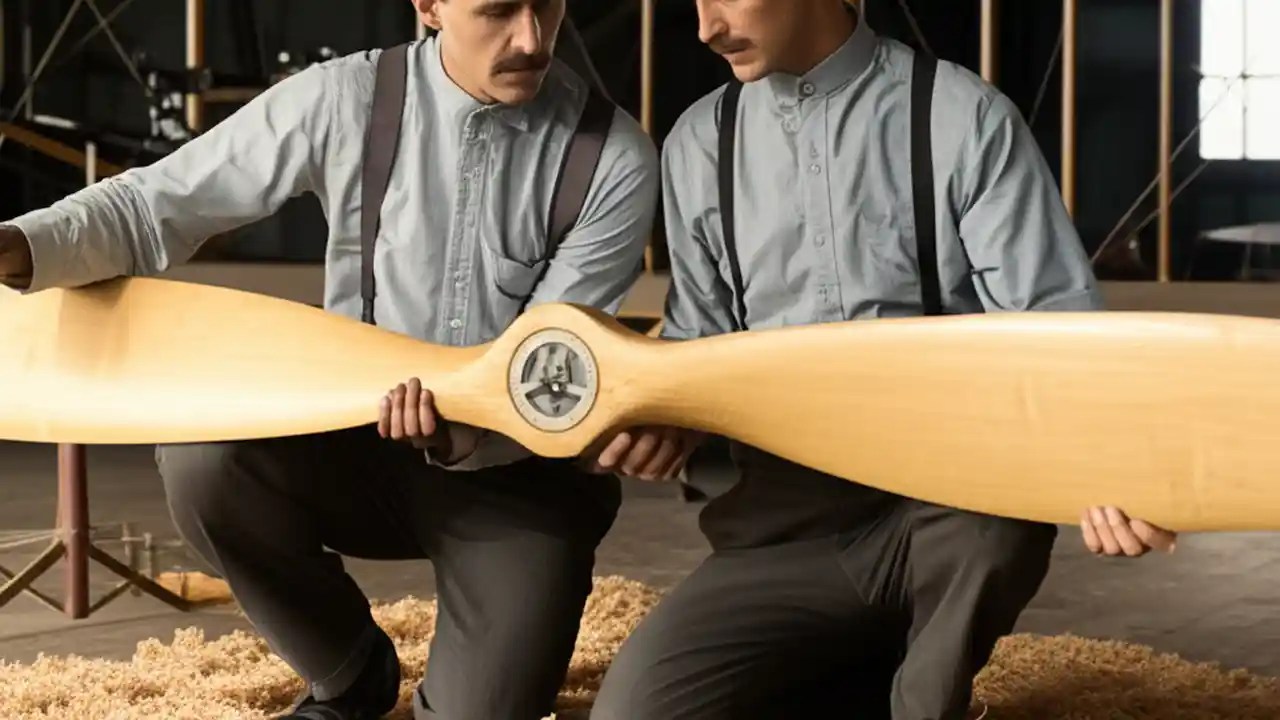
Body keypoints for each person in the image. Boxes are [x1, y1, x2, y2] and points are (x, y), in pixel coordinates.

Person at [0, 1, 675, 718]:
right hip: (356, 438)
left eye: (547, 4)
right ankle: (349, 672)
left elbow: (545, 374)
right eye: (499, 10)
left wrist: (460, 422)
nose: (533, 38)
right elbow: (155, 206)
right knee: (206, 458)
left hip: (521, 474)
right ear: (430, 6)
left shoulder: (616, 157)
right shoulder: (344, 97)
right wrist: (20, 243)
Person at [591, 2, 1179, 719]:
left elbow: (1057, 337)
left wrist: (1117, 471)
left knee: (980, 559)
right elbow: (699, 339)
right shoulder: (698, 142)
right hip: (780, 532)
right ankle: (854, 671)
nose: (707, 27)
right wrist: (664, 418)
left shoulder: (961, 118)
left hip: (952, 512)